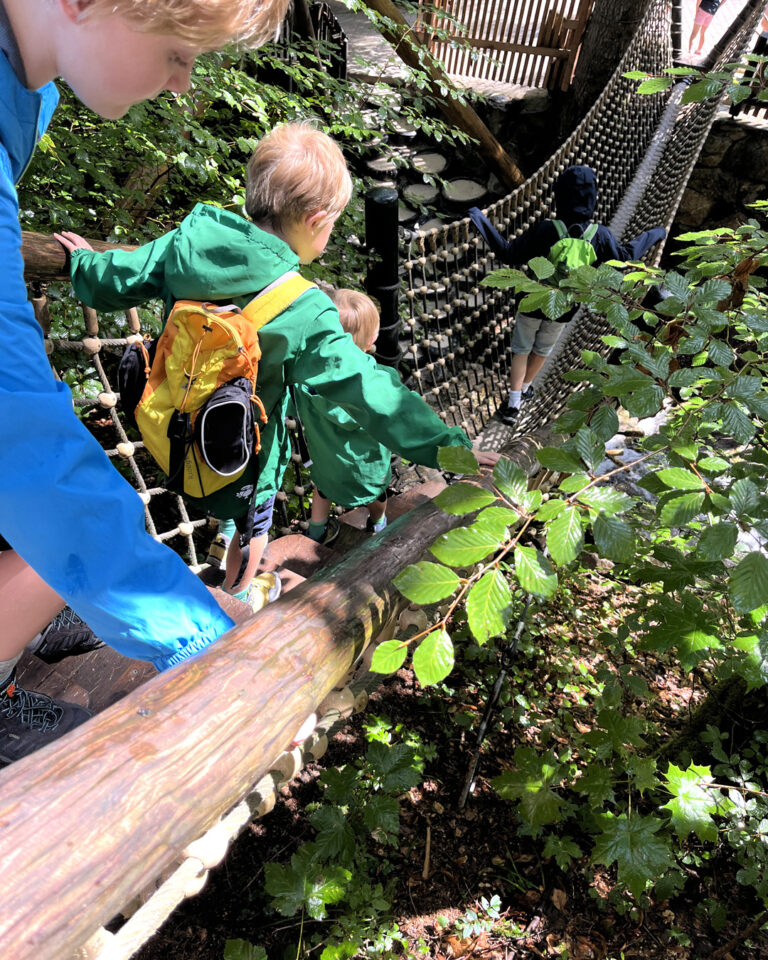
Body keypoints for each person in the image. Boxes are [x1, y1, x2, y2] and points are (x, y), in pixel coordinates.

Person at [0, 0, 290, 766]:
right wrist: (197, 632)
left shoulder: (27, 80)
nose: (182, 84)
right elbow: (17, 429)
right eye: (175, 52)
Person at [57, 123, 498, 613]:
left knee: (220, 523)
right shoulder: (305, 309)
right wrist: (449, 449)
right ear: (315, 220)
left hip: (174, 430)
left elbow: (118, 278)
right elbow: (371, 391)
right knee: (251, 531)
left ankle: (226, 583)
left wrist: (82, 264)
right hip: (243, 458)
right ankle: (241, 599)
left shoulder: (189, 242)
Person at [468, 165, 667, 426]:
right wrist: (656, 233)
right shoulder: (601, 236)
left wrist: (479, 218)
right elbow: (627, 256)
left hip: (532, 300)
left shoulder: (547, 229)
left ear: (558, 196)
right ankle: (527, 386)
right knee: (542, 350)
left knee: (520, 350)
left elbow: (508, 253)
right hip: (565, 307)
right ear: (593, 199)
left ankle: (513, 403)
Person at [294, 289, 391, 546]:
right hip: (365, 467)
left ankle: (316, 531)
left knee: (321, 490)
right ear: (371, 341)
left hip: (325, 462)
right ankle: (377, 522)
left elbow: (294, 408)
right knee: (376, 495)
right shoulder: (375, 380)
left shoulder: (305, 378)